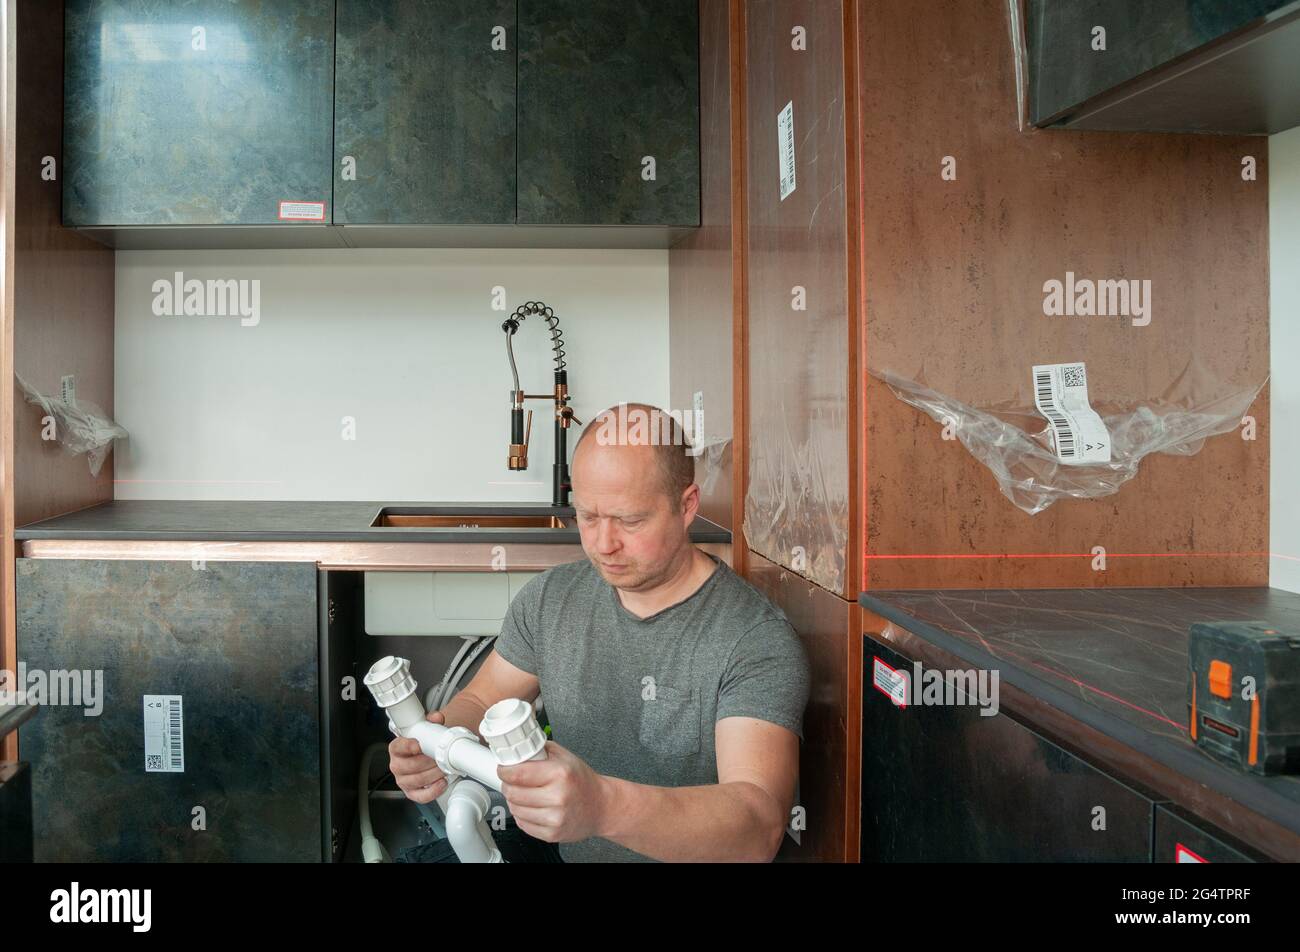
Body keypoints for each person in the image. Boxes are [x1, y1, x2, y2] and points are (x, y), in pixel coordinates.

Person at [388, 402, 810, 861]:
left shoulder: (753, 639)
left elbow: (757, 827)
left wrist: (604, 808)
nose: (603, 544)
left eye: (629, 521)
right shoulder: (551, 599)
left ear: (687, 506)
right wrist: (438, 743)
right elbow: (482, 701)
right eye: (587, 517)